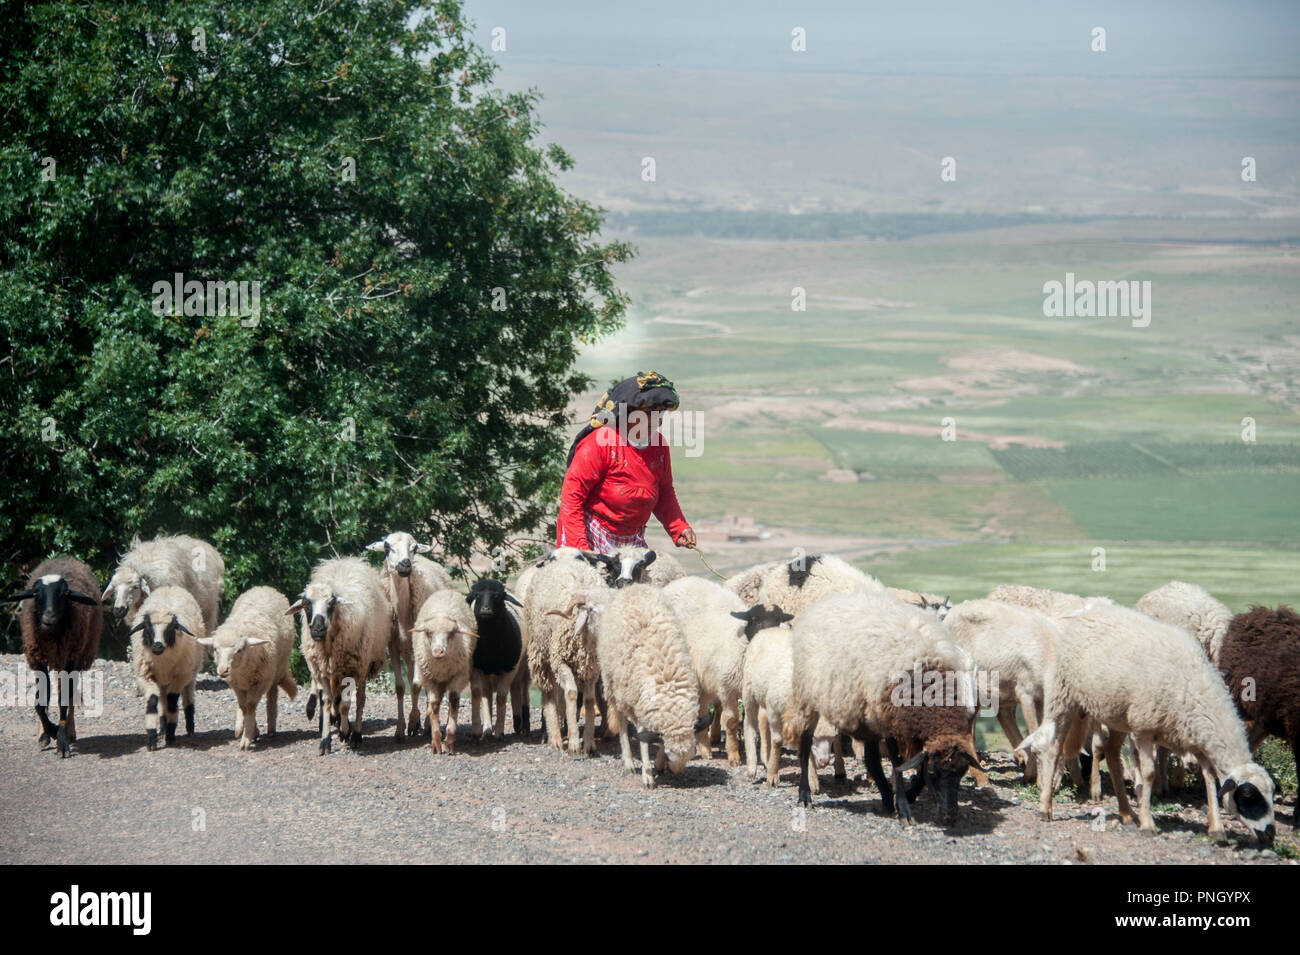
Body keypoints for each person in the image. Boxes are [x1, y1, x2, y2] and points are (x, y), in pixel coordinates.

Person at [555, 370, 696, 555]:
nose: (657, 421)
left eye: (660, 414)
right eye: (650, 413)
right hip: (590, 535)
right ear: (629, 413)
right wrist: (580, 549)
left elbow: (664, 492)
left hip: (631, 540)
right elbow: (572, 496)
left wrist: (678, 527)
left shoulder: (659, 446)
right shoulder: (601, 442)